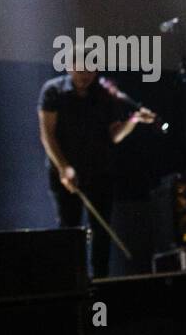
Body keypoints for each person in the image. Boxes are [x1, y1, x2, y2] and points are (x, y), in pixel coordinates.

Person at [37, 47, 156, 278]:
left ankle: (101, 283)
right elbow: (47, 135)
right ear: (70, 67)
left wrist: (133, 120)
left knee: (101, 232)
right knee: (70, 230)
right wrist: (64, 167)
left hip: (100, 171)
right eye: (80, 70)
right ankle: (71, 281)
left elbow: (114, 135)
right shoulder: (53, 91)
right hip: (64, 172)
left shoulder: (103, 94)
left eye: (90, 71)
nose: (85, 76)